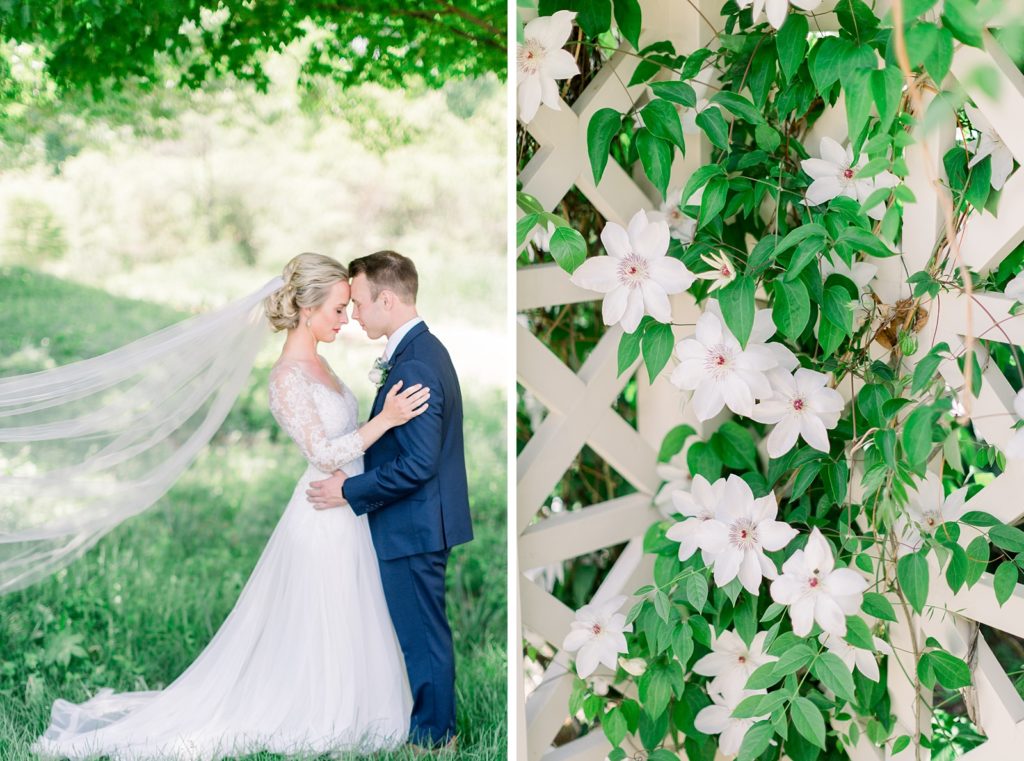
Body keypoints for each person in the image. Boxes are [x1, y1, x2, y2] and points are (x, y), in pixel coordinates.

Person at [32, 253, 429, 759]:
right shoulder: (286, 377)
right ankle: (326, 712)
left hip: (350, 504)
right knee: (327, 615)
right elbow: (322, 452)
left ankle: (366, 709)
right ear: (307, 309)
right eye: (337, 309)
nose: (346, 319)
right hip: (322, 511)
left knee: (357, 611)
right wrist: (386, 420)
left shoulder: (322, 363)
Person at [306, 250, 474, 749]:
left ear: (386, 299)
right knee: (422, 632)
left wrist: (348, 490)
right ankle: (433, 729)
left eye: (358, 303)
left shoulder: (416, 364)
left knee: (422, 636)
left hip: (414, 523)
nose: (354, 314)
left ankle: (434, 739)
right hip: (418, 520)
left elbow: (419, 464)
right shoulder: (419, 351)